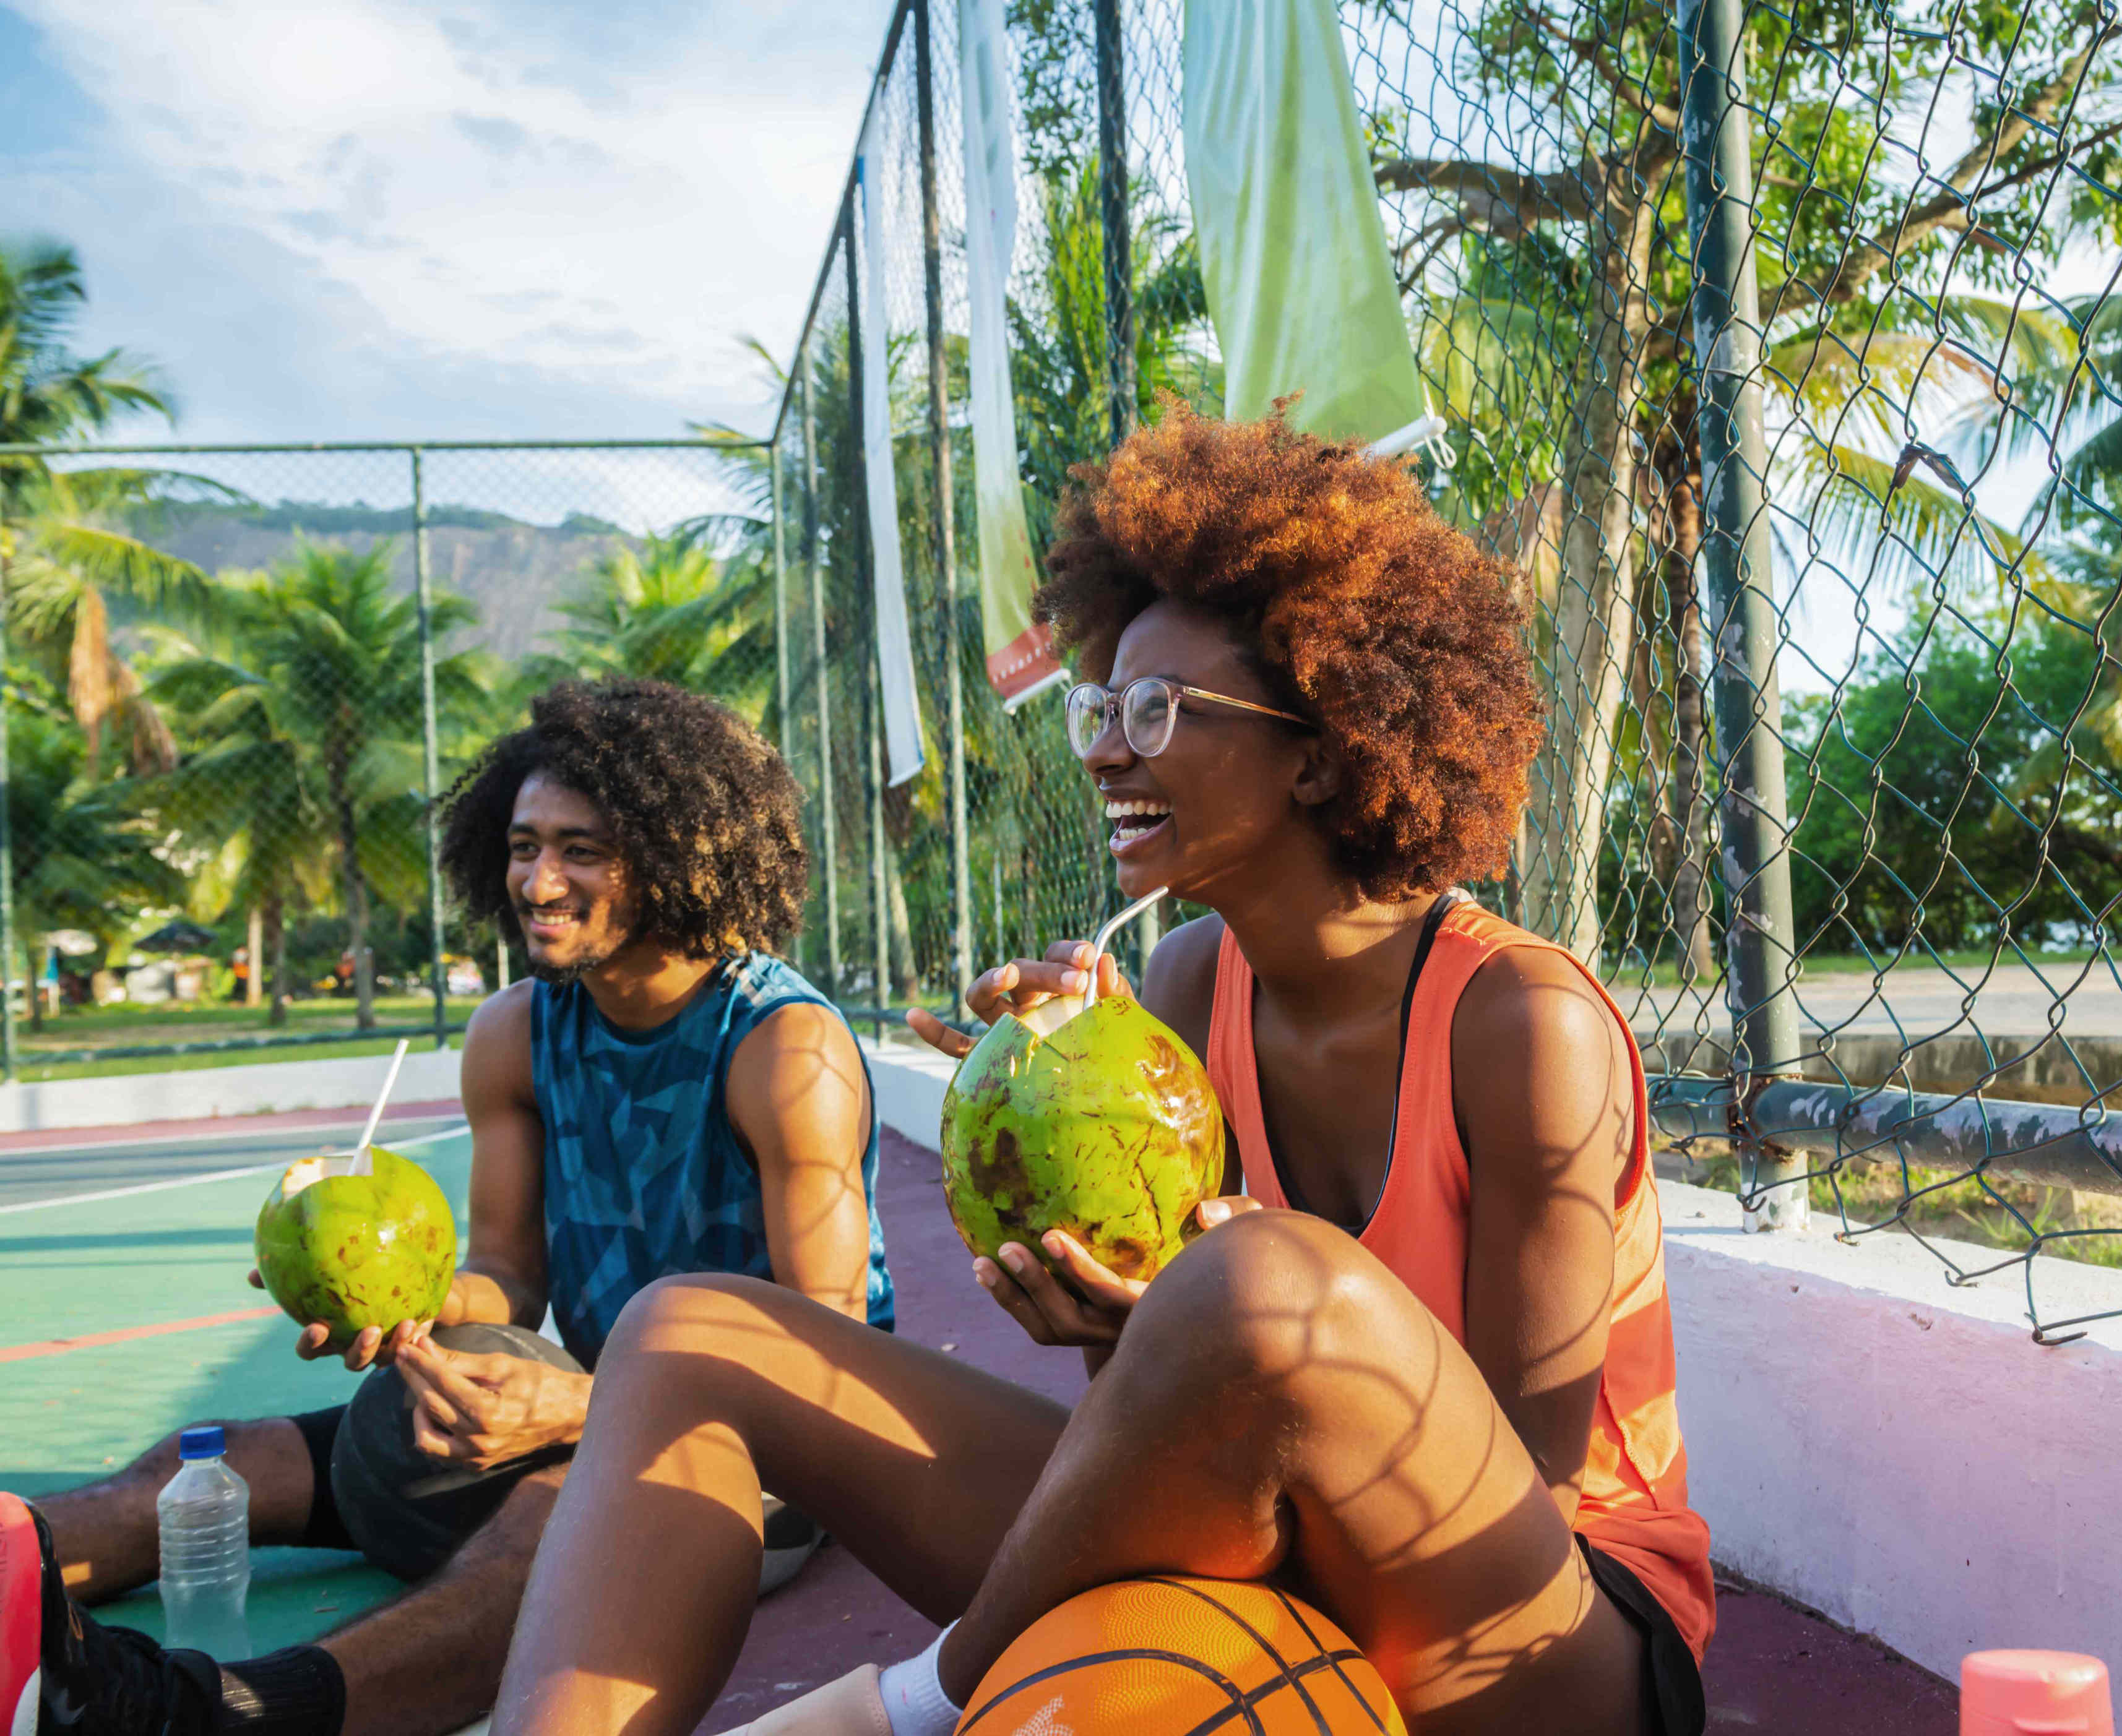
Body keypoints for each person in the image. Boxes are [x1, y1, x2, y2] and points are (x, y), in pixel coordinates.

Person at [482, 405, 1712, 1736]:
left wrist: (1233, 1315)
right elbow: (1147, 1431)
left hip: (1538, 1632)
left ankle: (905, 1703)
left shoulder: (1521, 1019)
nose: (1104, 748)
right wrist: (1112, 1284)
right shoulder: (1179, 992)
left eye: (1154, 708)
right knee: (685, 1332)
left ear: (1319, 743)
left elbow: (1525, 1477)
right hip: (1274, 1552)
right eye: (1095, 704)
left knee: (1262, 1277)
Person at [3, 678, 895, 1736]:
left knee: (551, 1526)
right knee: (216, 1459)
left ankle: (214, 1716)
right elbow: (510, 1280)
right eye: (523, 845)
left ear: (677, 855)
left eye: (580, 849)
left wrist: (575, 1408)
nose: (538, 879)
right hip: (601, 1403)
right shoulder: (515, 1031)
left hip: (773, 1450)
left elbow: (828, 1353)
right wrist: (393, 1296)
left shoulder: (784, 1048)